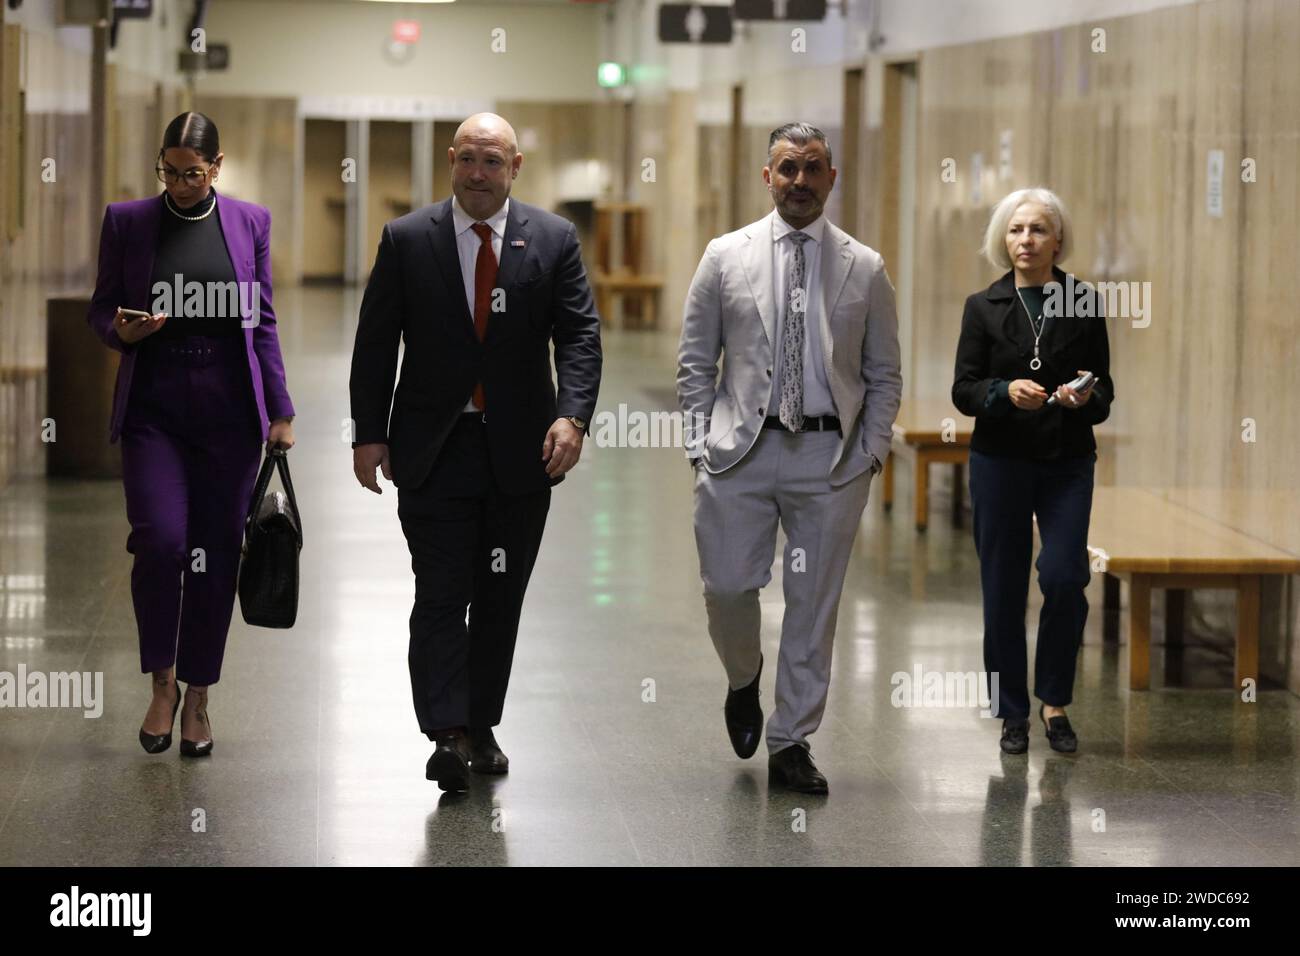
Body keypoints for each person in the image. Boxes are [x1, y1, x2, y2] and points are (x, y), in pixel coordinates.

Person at [349, 112, 602, 793]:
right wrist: (368, 432)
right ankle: (447, 733)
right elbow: (376, 342)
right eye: (468, 160)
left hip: (521, 453)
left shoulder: (552, 240)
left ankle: (481, 721)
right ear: (451, 162)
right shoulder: (408, 240)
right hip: (433, 450)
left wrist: (573, 417)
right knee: (439, 592)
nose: (480, 174)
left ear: (516, 167)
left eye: (494, 162)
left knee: (499, 595)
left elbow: (578, 335)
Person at [677, 122, 902, 794]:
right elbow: (695, 360)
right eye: (787, 168)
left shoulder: (865, 265)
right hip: (738, 455)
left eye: (813, 169)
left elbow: (884, 371)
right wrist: (699, 444)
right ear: (767, 176)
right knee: (727, 588)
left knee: (813, 603)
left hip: (831, 462)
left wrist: (870, 452)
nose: (799, 181)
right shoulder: (725, 256)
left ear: (831, 178)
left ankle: (792, 740)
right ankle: (743, 679)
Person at [86, 111, 296, 757]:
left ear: (217, 167)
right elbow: (101, 309)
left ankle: (200, 694)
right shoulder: (127, 221)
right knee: (160, 541)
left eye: (193, 173)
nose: (180, 184)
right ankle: (162, 680)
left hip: (230, 412)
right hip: (155, 407)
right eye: (170, 172)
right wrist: (122, 331)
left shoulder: (248, 222)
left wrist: (280, 409)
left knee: (213, 557)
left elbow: (260, 321)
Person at [951, 187, 1113, 755]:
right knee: (1002, 585)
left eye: (1039, 230)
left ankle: (1055, 702)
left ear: (1058, 240)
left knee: (1065, 576)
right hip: (1001, 461)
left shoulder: (1084, 302)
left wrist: (1080, 396)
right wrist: (1002, 390)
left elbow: (1105, 391)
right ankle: (1012, 711)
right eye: (1017, 230)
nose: (1027, 240)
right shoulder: (983, 306)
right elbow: (964, 388)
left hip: (1067, 460)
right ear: (1004, 239)